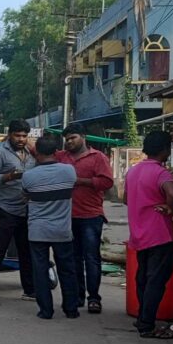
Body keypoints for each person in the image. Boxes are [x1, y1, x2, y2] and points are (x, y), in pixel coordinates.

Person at [125, 130, 173, 339]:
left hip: (139, 234)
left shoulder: (133, 171)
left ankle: (142, 318)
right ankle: (147, 324)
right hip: (159, 234)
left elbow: (126, 200)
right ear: (165, 149)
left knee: (144, 278)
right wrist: (169, 207)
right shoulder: (161, 172)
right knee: (156, 280)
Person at [57, 123, 114, 314]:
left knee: (92, 258)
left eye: (73, 138)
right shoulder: (62, 157)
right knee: (73, 259)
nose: (69, 142)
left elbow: (107, 182)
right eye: (67, 139)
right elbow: (41, 154)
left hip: (91, 216)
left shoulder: (98, 158)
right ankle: (78, 296)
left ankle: (94, 298)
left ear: (83, 137)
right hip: (68, 216)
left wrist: (81, 181)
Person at [22, 135, 80, 319]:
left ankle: (46, 310)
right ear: (57, 152)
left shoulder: (28, 176)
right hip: (62, 230)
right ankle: (71, 309)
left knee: (40, 270)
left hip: (38, 230)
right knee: (67, 269)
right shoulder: (69, 171)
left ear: (36, 153)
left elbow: (26, 196)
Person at [0, 118, 36, 306]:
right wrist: (7, 177)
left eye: (24, 136)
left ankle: (29, 290)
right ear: (9, 134)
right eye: (17, 135)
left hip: (25, 209)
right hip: (3, 208)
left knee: (26, 251)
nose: (21, 139)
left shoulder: (30, 152)